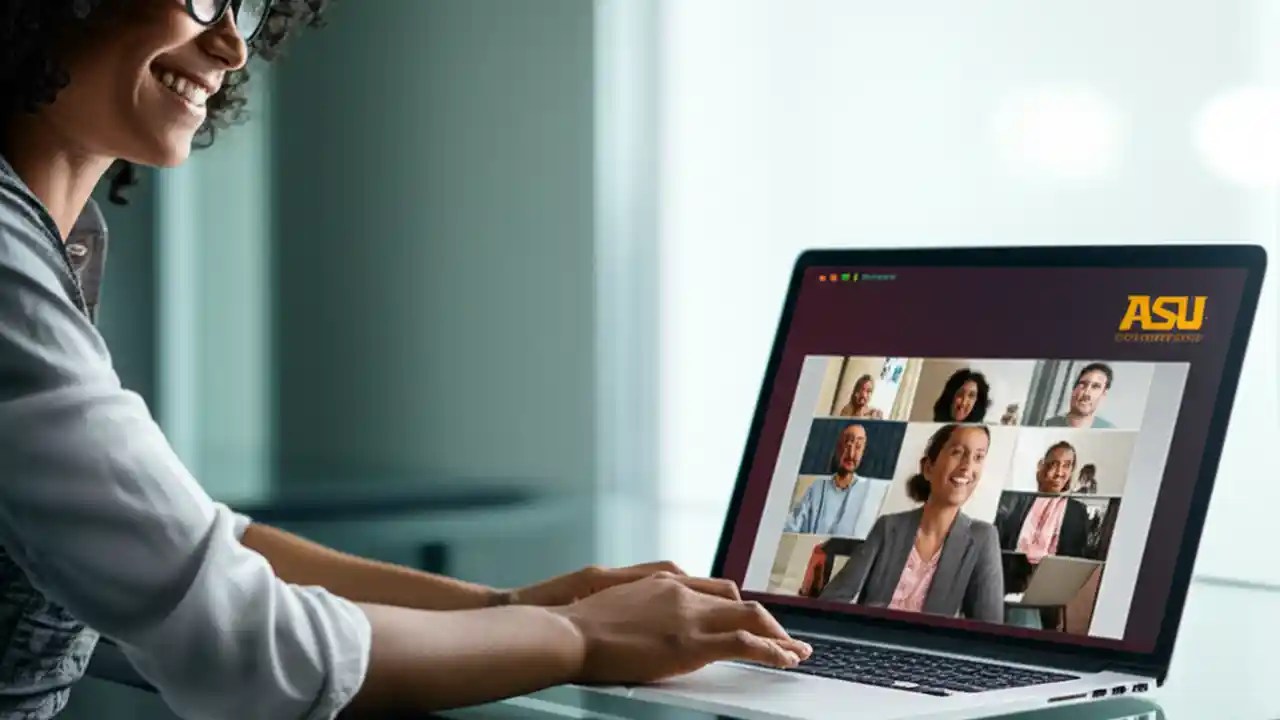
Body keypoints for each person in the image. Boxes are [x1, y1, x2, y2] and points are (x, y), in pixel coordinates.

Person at [0, 2, 811, 718]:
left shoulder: (54, 244)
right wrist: (573, 637)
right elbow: (254, 649)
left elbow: (206, 545)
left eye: (248, 7)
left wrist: (502, 605)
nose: (232, 45)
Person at [818, 424, 1004, 624]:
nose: (967, 466)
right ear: (928, 468)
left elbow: (989, 631)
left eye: (978, 457)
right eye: (958, 452)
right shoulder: (888, 527)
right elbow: (833, 599)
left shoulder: (983, 538)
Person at [994, 442, 1091, 561]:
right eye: (1054, 464)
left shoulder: (1077, 511)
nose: (1059, 473)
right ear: (1042, 466)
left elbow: (1077, 559)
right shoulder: (1017, 502)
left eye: (1066, 466)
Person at [784, 424, 876, 537]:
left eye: (858, 446)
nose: (851, 454)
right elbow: (793, 525)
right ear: (838, 448)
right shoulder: (818, 487)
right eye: (847, 444)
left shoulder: (870, 491)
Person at [1045, 363, 1116, 428]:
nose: (1086, 393)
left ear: (1103, 394)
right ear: (1074, 389)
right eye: (1083, 384)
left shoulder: (1110, 432)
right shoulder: (1047, 426)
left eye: (1095, 386)